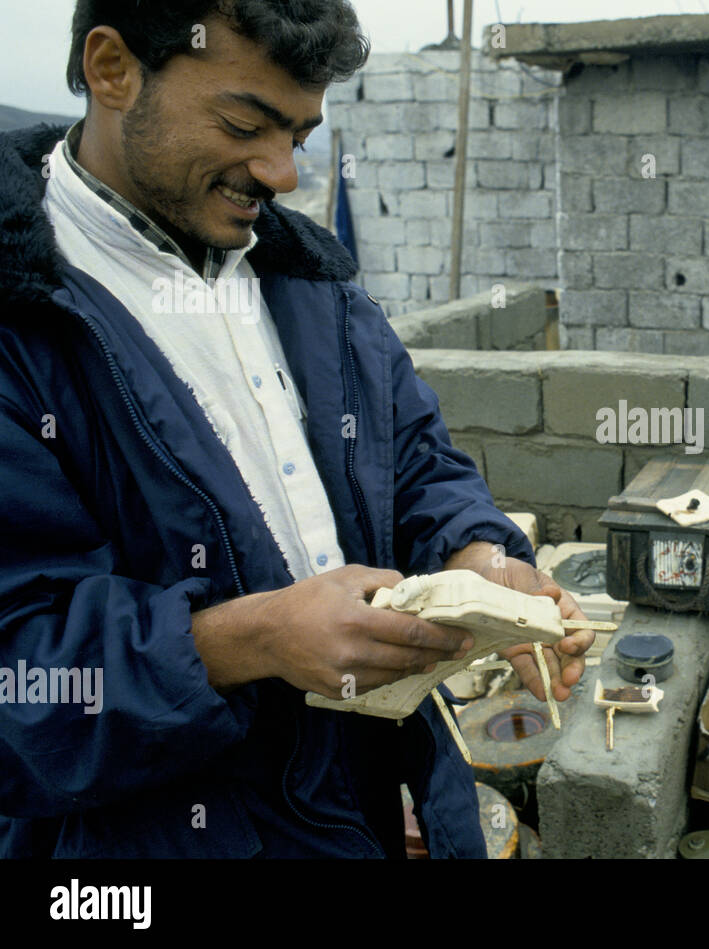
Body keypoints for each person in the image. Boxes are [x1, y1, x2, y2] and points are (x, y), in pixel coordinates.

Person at [0, 0, 592, 858]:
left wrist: (483, 564)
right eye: (247, 123)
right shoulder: (24, 329)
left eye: (302, 135)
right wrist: (255, 638)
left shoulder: (310, 281)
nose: (282, 173)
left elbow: (418, 463)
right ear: (112, 70)